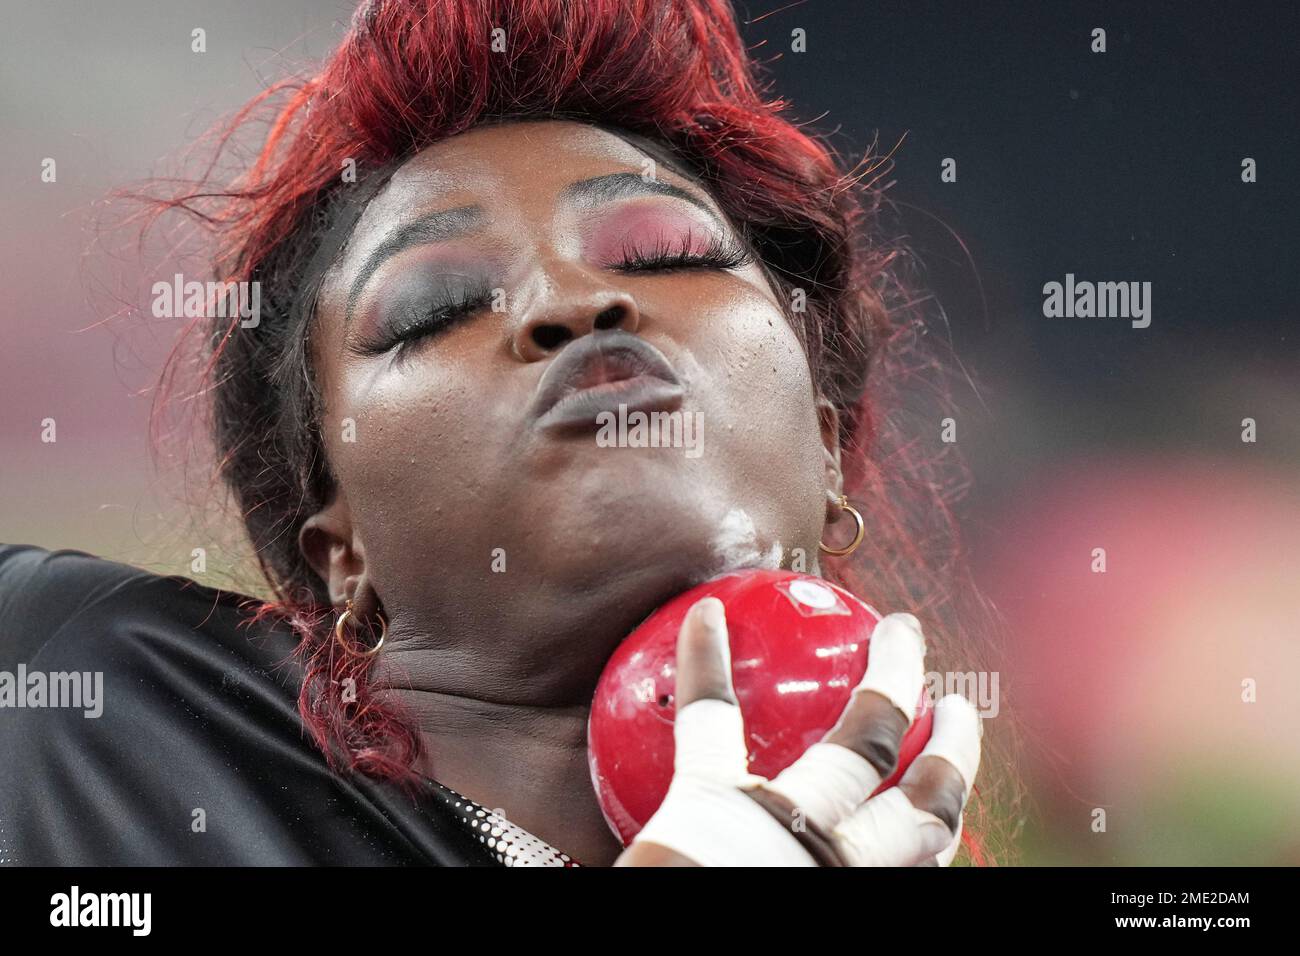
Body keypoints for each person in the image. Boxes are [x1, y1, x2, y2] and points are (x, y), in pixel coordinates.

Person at [0, 0, 1013, 866]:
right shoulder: (84, 704)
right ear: (338, 549)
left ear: (829, 451)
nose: (574, 304)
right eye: (436, 306)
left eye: (663, 256)